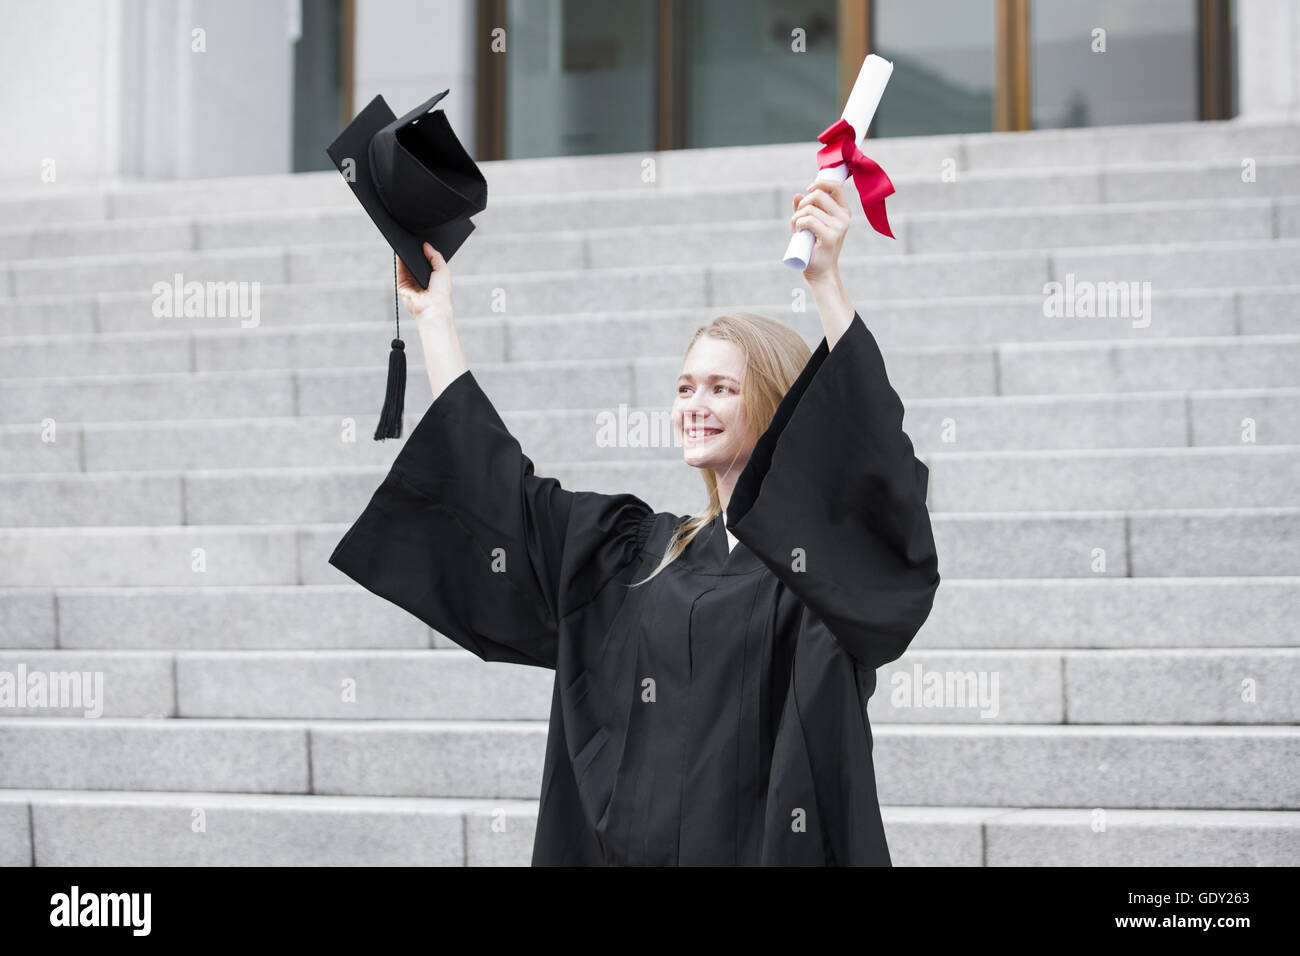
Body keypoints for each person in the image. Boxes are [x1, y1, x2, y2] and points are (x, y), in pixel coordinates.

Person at [328, 179, 941, 866]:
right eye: (684, 388)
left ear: (773, 403)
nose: (694, 404)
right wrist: (434, 318)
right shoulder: (641, 553)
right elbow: (507, 500)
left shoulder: (815, 575)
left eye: (721, 388)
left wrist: (826, 281)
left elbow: (877, 485)